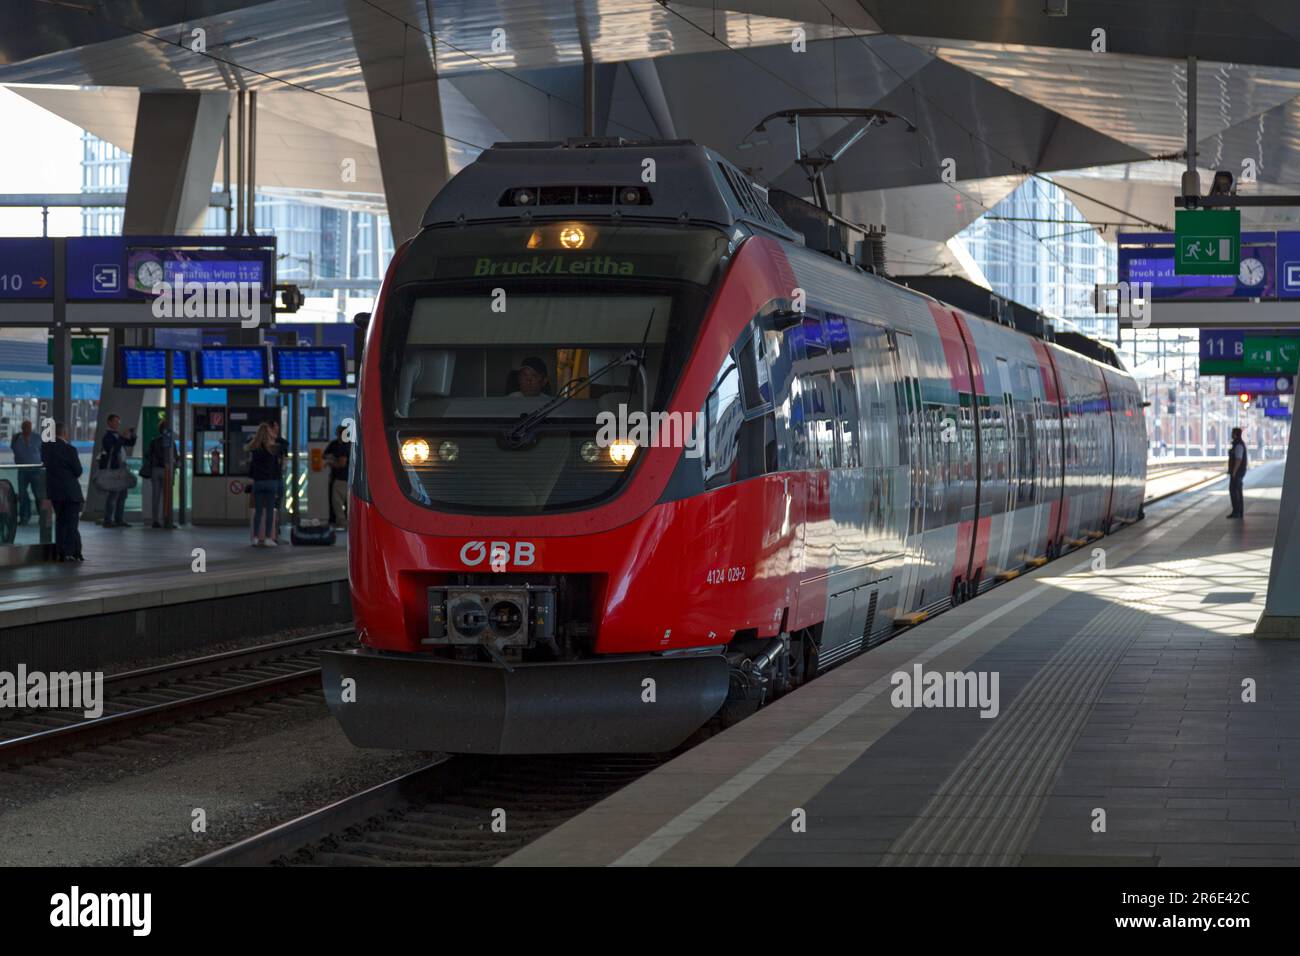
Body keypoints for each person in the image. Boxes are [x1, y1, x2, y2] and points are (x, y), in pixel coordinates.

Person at [42, 421, 83, 562]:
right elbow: (78, 471)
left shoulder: (46, 449)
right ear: (65, 433)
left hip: (55, 492)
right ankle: (69, 552)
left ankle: (60, 551)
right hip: (71, 492)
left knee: (60, 522)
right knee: (72, 523)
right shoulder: (70, 449)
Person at [246, 422, 281, 547]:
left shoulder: (255, 449)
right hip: (271, 483)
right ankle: (267, 538)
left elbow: (252, 467)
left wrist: (251, 479)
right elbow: (277, 468)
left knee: (258, 511)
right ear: (269, 434)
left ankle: (255, 538)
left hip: (258, 483)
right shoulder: (274, 449)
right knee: (270, 511)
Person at [98, 413, 136, 527]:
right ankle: (108, 520)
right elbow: (113, 450)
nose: (117, 424)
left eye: (118, 422)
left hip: (122, 467)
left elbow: (130, 443)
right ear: (109, 422)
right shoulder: (107, 436)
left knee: (122, 495)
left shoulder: (117, 435)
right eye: (115, 421)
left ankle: (119, 518)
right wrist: (122, 437)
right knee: (113, 495)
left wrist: (132, 435)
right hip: (114, 469)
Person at [147, 415, 178, 529]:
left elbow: (149, 456)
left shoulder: (154, 441)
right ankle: (167, 520)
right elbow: (175, 457)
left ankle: (155, 521)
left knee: (156, 496)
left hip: (155, 470)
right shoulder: (171, 443)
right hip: (167, 471)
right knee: (167, 496)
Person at [9, 419, 41, 524]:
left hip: (36, 470)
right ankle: (24, 518)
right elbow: (14, 450)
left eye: (29, 426)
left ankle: (43, 516)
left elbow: (43, 451)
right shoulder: (16, 438)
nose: (27, 428)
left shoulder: (37, 438)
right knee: (22, 495)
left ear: (31, 427)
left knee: (38, 494)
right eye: (25, 427)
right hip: (22, 470)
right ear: (22, 428)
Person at [323, 424, 351, 529]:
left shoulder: (343, 447)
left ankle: (342, 522)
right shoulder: (350, 445)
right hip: (349, 479)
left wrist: (330, 463)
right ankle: (348, 522)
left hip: (341, 479)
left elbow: (342, 464)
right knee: (347, 502)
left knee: (337, 502)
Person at [268, 419, 289, 542]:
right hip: (272, 478)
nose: (277, 429)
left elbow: (284, 454)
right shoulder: (267, 444)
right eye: (275, 427)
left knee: (276, 504)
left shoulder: (281, 443)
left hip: (277, 477)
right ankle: (271, 530)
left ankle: (274, 528)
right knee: (271, 505)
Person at [1228, 426, 1248, 519]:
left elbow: (1238, 459)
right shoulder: (1238, 444)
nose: (1231, 434)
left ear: (1235, 434)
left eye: (1232, 433)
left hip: (1237, 472)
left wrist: (1234, 472)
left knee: (1235, 491)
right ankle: (1237, 512)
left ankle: (1237, 512)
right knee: (1237, 491)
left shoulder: (1238, 445)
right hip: (1238, 472)